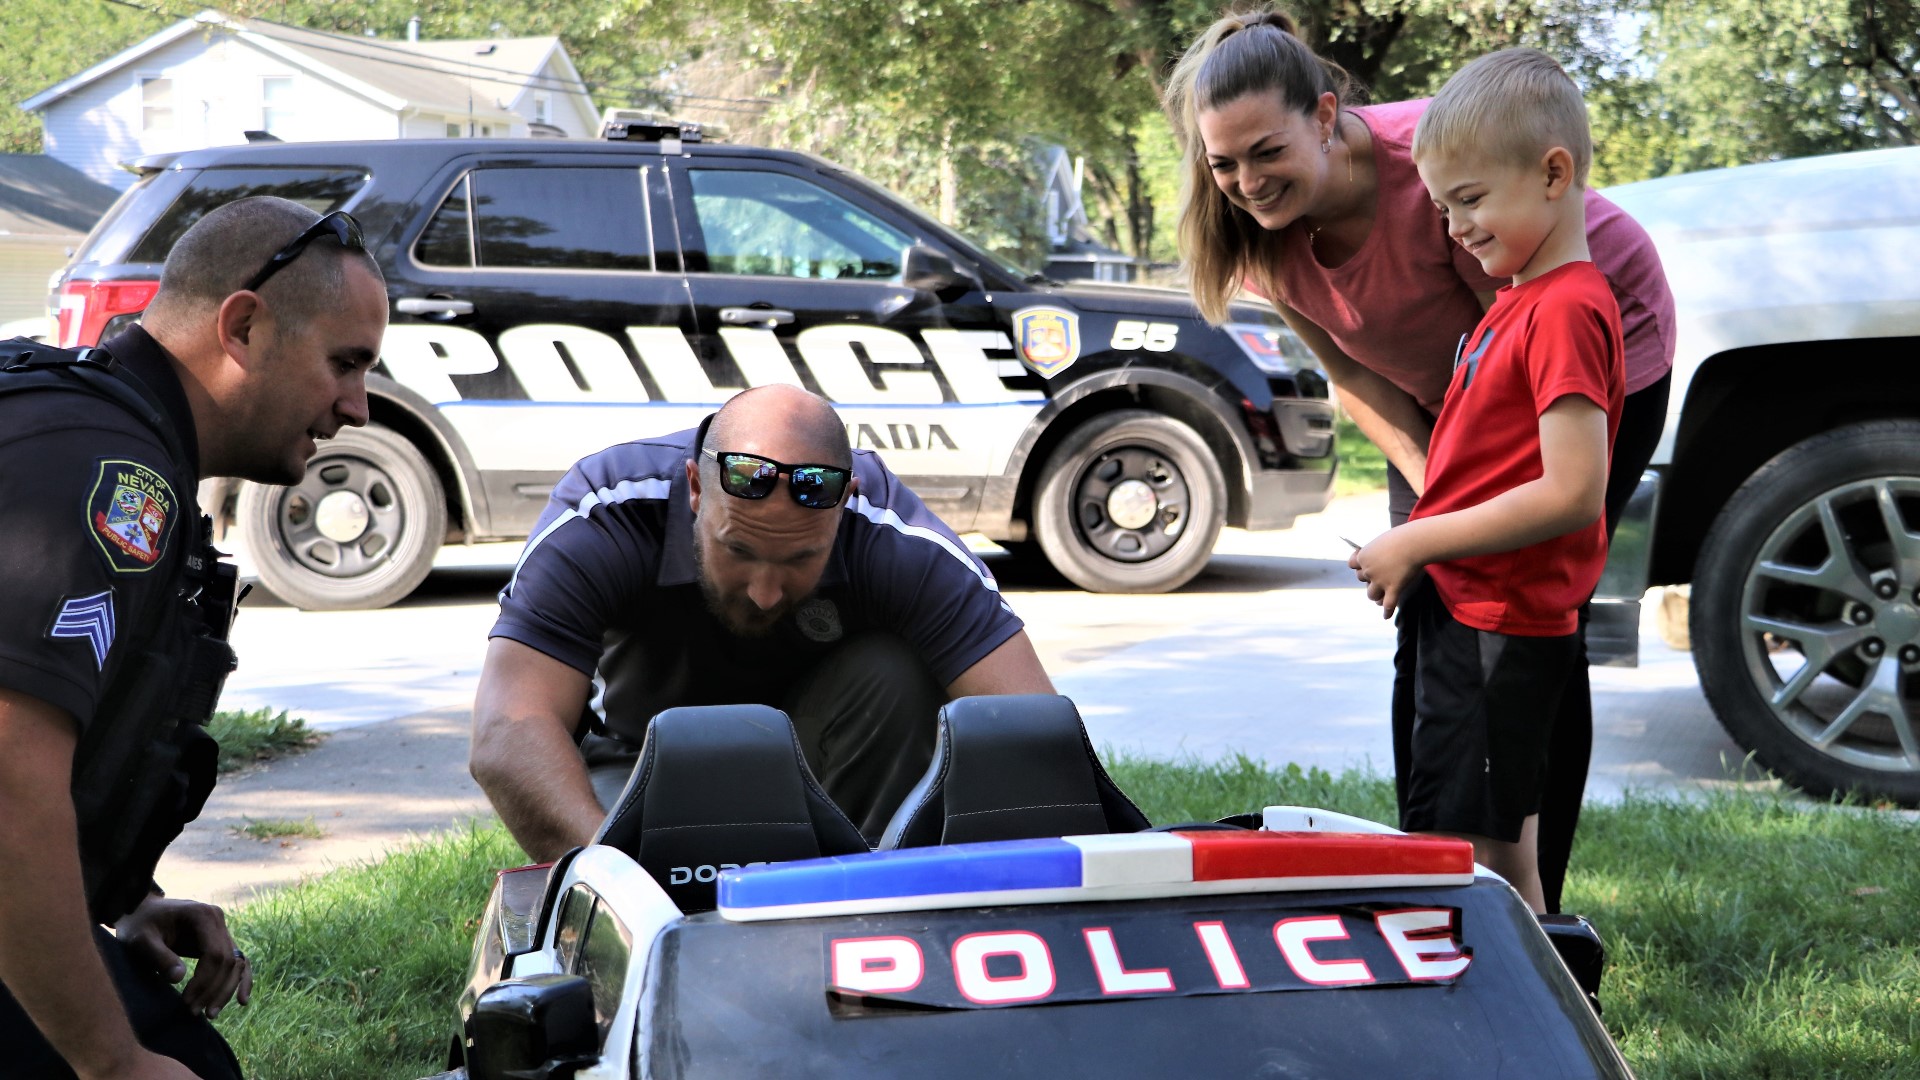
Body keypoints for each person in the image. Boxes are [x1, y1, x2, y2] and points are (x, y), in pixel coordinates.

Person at [1166, 8, 1676, 913]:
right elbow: (1350, 368)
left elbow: (1521, 343)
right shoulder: (1257, 231)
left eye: (1266, 152)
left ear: (1325, 117)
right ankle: (1438, 865)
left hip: (1592, 369)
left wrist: (1438, 528)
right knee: (1437, 619)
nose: (1245, 182)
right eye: (1223, 163)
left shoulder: (1441, 179)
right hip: (1462, 394)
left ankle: (1529, 906)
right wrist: (1429, 519)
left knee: (1523, 622)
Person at [0, 196, 386, 1079]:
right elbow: (6, 772)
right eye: (346, 362)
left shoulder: (89, 429)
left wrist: (124, 898)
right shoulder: (110, 474)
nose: (358, 407)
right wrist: (109, 1061)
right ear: (243, 327)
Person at [470, 384, 1055, 859]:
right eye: (740, 551)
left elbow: (1031, 732)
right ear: (695, 489)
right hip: (637, 771)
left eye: (801, 558)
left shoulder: (892, 537)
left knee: (894, 672)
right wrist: (619, 877)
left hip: (815, 766)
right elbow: (507, 731)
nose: (766, 591)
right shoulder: (608, 512)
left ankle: (870, 889)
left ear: (844, 503)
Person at [1348, 47, 1625, 913]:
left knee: (1480, 858)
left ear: (1554, 174)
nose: (1455, 227)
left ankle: (1522, 1026)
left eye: (1469, 200)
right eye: (1440, 207)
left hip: (1498, 628)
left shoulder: (1568, 309)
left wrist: (1417, 538)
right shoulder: (1518, 300)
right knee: (1493, 844)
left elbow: (1573, 489)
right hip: (1465, 612)